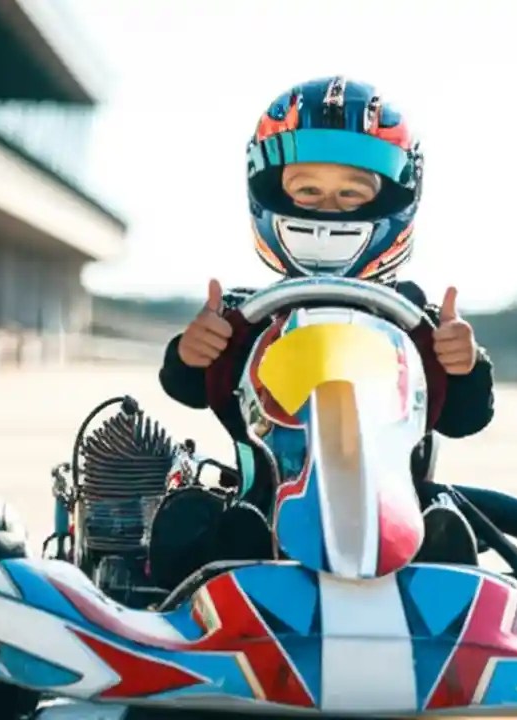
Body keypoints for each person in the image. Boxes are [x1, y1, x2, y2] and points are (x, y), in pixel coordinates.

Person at [156, 76, 495, 574]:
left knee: (439, 518)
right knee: (189, 520)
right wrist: (192, 351)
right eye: (309, 190)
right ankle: (236, 559)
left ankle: (437, 565)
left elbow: (466, 416)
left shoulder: (413, 318)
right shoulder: (245, 315)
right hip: (265, 507)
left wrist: (463, 363)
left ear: (395, 197)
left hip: (394, 516)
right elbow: (182, 385)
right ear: (271, 189)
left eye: (352, 194)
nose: (328, 210)